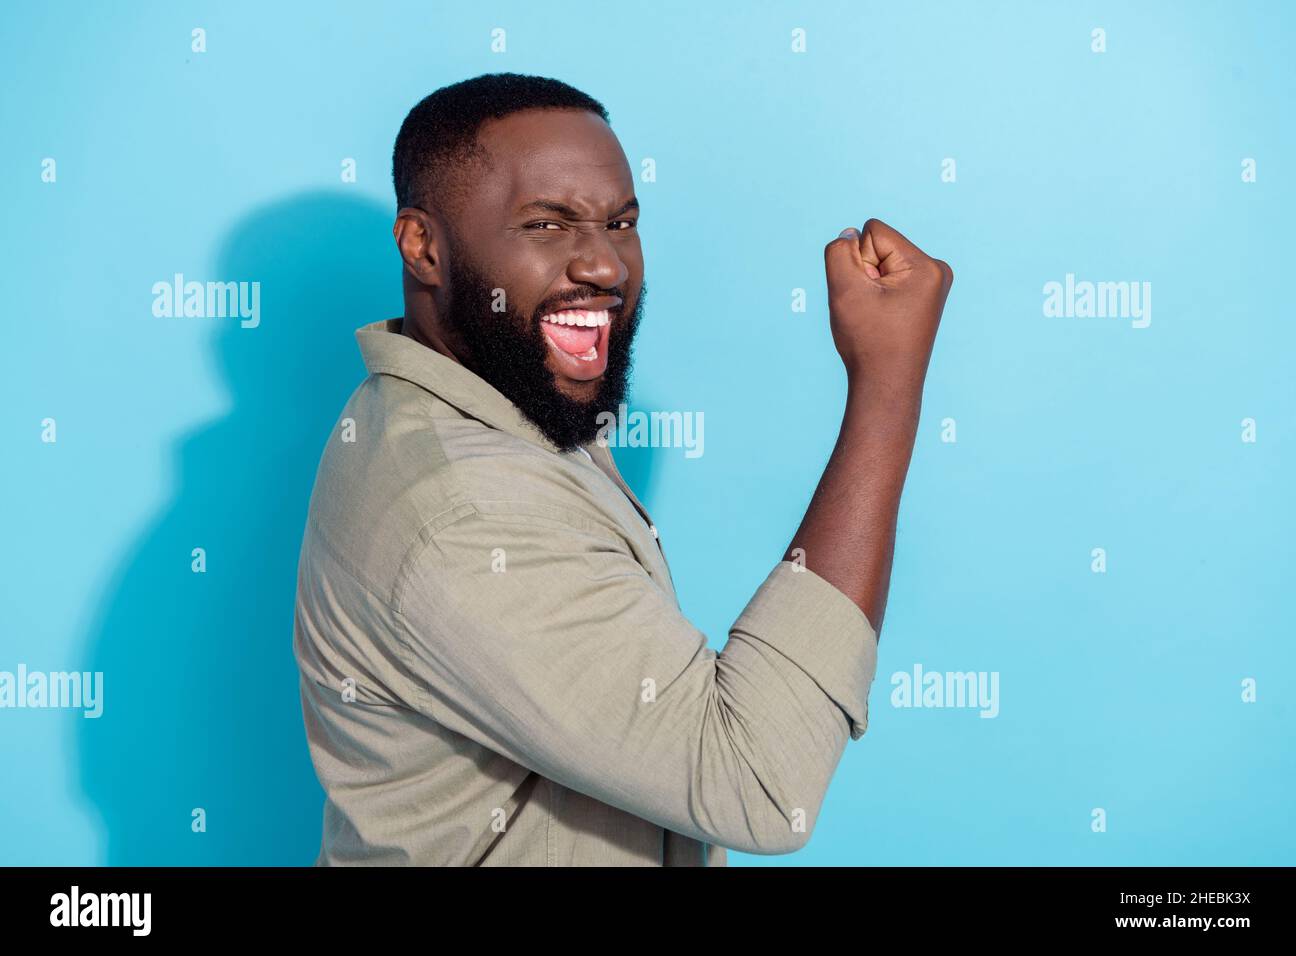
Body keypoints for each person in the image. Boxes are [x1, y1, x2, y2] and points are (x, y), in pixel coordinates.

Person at [293, 72, 953, 866]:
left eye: (620, 222)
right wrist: (887, 386)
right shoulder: (469, 513)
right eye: (546, 224)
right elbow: (760, 781)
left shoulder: (479, 396)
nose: (604, 265)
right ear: (423, 246)